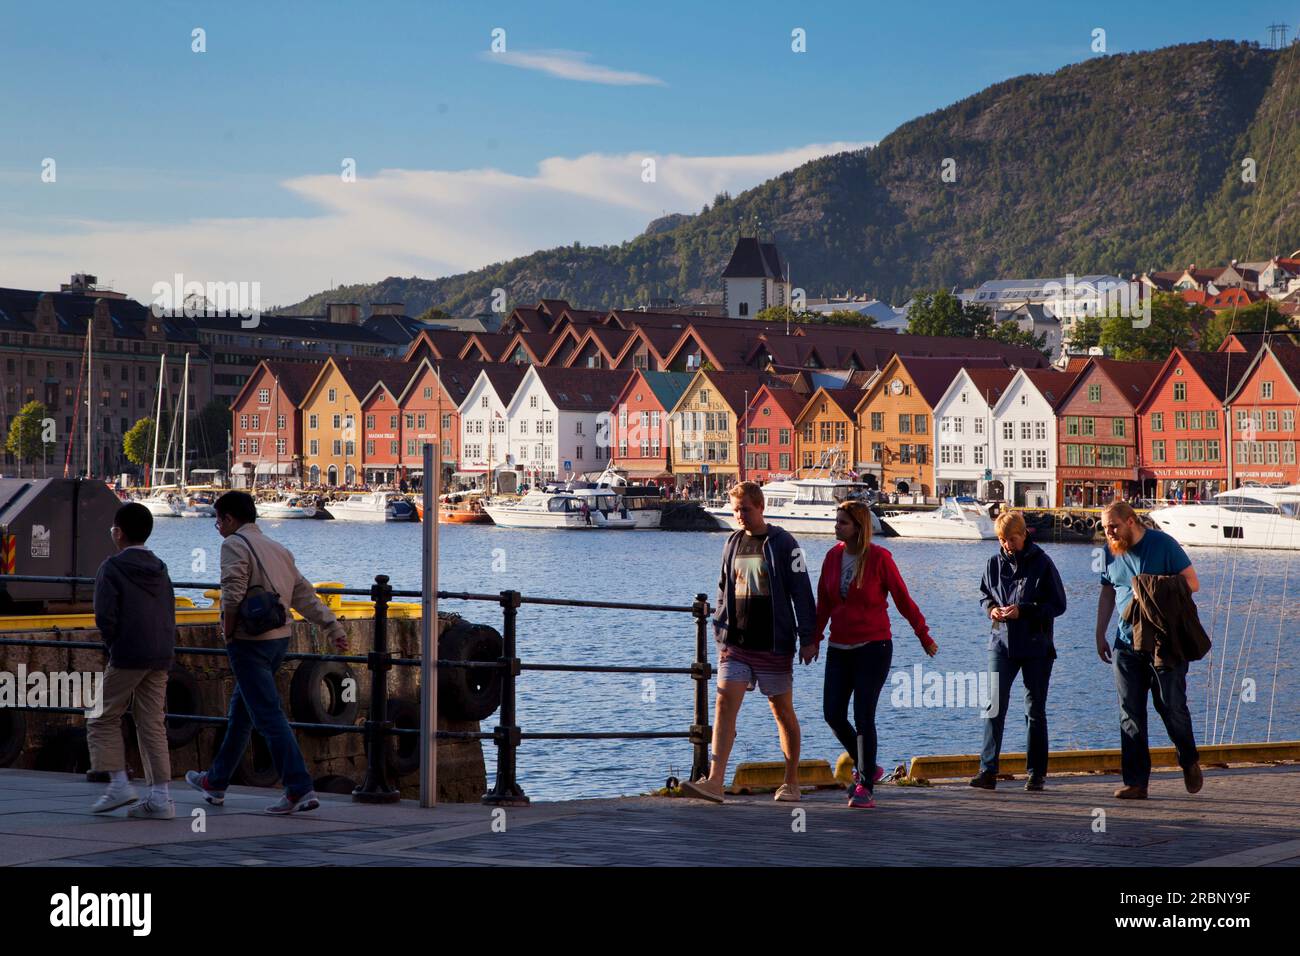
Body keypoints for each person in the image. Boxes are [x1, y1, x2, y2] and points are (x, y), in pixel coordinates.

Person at [187, 491, 348, 814]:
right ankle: (215, 782)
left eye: (218, 520)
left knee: (268, 716)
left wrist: (228, 634)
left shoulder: (233, 544)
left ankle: (299, 788)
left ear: (230, 519)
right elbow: (304, 595)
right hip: (279, 640)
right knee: (243, 715)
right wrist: (332, 626)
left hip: (249, 642)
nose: (217, 526)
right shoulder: (278, 549)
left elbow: (231, 594)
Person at [681, 481, 817, 803]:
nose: (739, 515)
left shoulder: (785, 543)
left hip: (773, 643)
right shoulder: (732, 542)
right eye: (735, 509)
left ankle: (791, 781)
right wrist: (720, 627)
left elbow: (802, 592)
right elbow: (722, 587)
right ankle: (715, 782)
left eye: (745, 509)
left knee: (782, 711)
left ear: (760, 507)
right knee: (724, 704)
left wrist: (808, 638)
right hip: (737, 644)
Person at [814, 500, 936, 809]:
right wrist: (812, 640)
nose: (836, 526)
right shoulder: (832, 557)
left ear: (858, 527)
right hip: (839, 648)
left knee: (863, 713)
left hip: (874, 647)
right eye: (836, 521)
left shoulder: (880, 558)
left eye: (842, 522)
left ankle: (865, 785)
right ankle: (867, 764)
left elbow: (903, 599)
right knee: (833, 714)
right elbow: (823, 604)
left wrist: (923, 635)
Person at [1096, 501, 1204, 799]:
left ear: (1131, 521)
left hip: (1164, 644)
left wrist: (1152, 587)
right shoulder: (1109, 552)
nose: (1109, 533)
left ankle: (1188, 759)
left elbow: (1193, 583)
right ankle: (1136, 782)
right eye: (1105, 529)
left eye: (1113, 526)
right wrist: (1099, 632)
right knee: (1129, 712)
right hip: (1125, 643)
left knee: (1172, 707)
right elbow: (1108, 590)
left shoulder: (1164, 545)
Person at [87, 502, 177, 818]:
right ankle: (161, 797)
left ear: (119, 532)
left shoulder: (111, 568)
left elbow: (105, 618)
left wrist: (115, 646)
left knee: (101, 715)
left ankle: (119, 783)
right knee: (152, 722)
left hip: (128, 653)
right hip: (161, 654)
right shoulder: (161, 567)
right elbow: (169, 609)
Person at [972, 511, 1067, 792]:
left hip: (1036, 646)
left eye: (1011, 539)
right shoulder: (993, 563)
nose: (1007, 545)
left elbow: (1059, 605)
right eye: (1002, 540)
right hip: (1001, 644)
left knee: (1034, 710)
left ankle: (1036, 773)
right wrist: (991, 610)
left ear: (1024, 534)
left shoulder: (1043, 564)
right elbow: (984, 595)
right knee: (993, 706)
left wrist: (1024, 611)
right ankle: (987, 771)